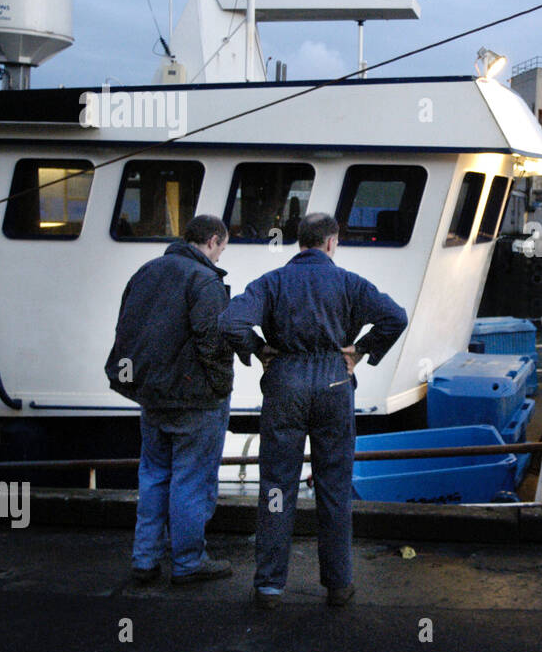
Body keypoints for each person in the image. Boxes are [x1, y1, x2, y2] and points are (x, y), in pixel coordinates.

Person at [218, 212, 408, 609]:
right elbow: (396, 317)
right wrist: (362, 350)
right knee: (334, 487)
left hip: (285, 381)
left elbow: (231, 322)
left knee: (276, 486)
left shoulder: (271, 282)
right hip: (334, 383)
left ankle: (269, 587)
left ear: (299, 242)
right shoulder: (349, 282)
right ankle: (338, 584)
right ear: (331, 242)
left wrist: (258, 350)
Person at [106, 214, 235, 585]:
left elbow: (126, 329)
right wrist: (222, 386)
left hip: (151, 396)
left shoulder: (146, 272)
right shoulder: (204, 280)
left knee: (153, 476)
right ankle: (188, 562)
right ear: (212, 240)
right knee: (191, 481)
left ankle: (144, 559)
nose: (220, 256)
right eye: (222, 248)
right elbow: (213, 341)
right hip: (195, 400)